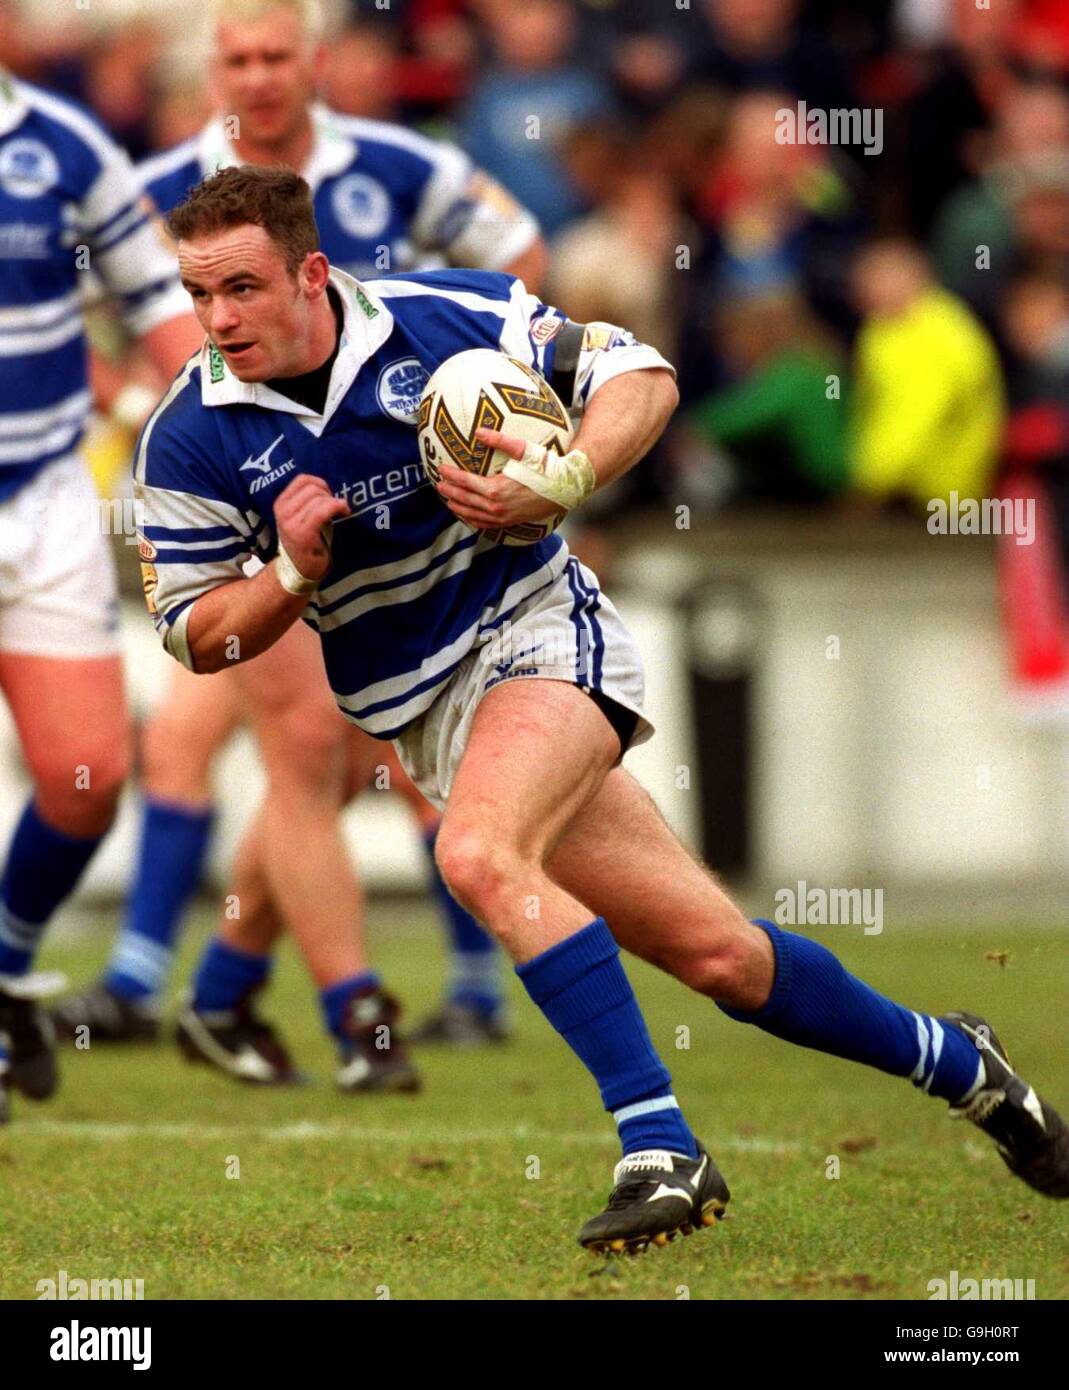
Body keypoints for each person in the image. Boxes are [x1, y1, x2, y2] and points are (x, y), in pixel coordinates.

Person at [136, 163, 1068, 1249]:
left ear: (309, 272)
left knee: (477, 854)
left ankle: (658, 1143)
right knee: (721, 957)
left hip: (538, 631)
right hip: (424, 709)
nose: (216, 318)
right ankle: (968, 1067)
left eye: (240, 288)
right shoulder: (189, 434)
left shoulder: (451, 319)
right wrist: (291, 573)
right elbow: (198, 636)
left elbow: (644, 376)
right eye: (197, 294)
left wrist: (564, 478)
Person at [54, 0, 550, 1063]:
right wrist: (149, 410)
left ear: (315, 60)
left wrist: (489, 411)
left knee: (315, 758)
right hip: (248, 510)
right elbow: (54, 315)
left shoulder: (398, 164)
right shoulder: (154, 194)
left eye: (277, 54)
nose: (258, 76)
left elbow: (519, 258)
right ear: (213, 67)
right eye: (236, 57)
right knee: (300, 749)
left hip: (402, 515)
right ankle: (353, 1012)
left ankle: (212, 986)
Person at [0, 66, 201, 1123]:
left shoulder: (68, 145)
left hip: (42, 493)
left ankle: (6, 963)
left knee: (86, 780)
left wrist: (235, 423)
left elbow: (158, 301)